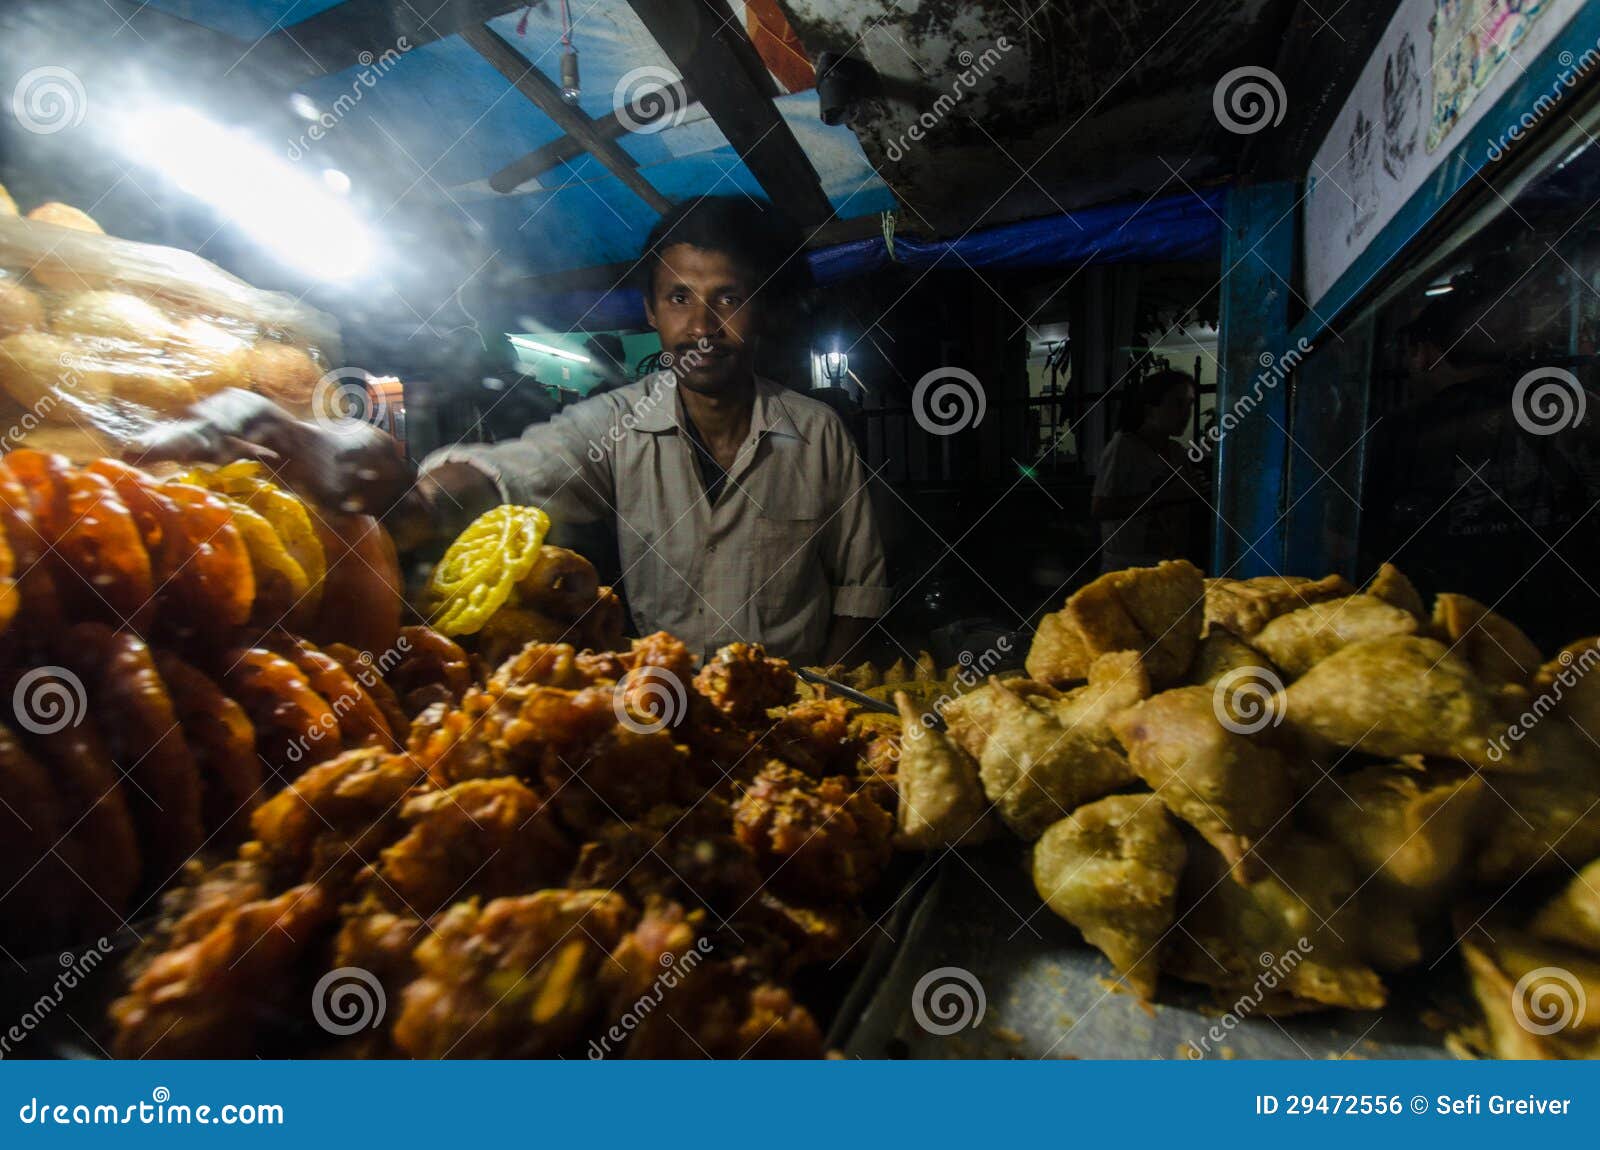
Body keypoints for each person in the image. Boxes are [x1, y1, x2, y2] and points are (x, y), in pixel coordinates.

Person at [132, 196, 889, 667]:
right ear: (652, 314)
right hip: (673, 709)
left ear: (762, 311)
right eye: (680, 297)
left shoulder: (816, 433)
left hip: (797, 700)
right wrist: (410, 494)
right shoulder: (620, 427)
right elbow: (516, 472)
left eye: (729, 298)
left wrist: (828, 698)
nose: (702, 324)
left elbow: (858, 590)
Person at [1090, 369, 1204, 571]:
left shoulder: (1177, 452)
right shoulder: (1124, 448)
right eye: (1177, 404)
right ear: (1151, 408)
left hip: (1169, 564)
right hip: (1128, 567)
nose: (1186, 413)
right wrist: (1162, 496)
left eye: (1190, 405)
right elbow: (1101, 508)